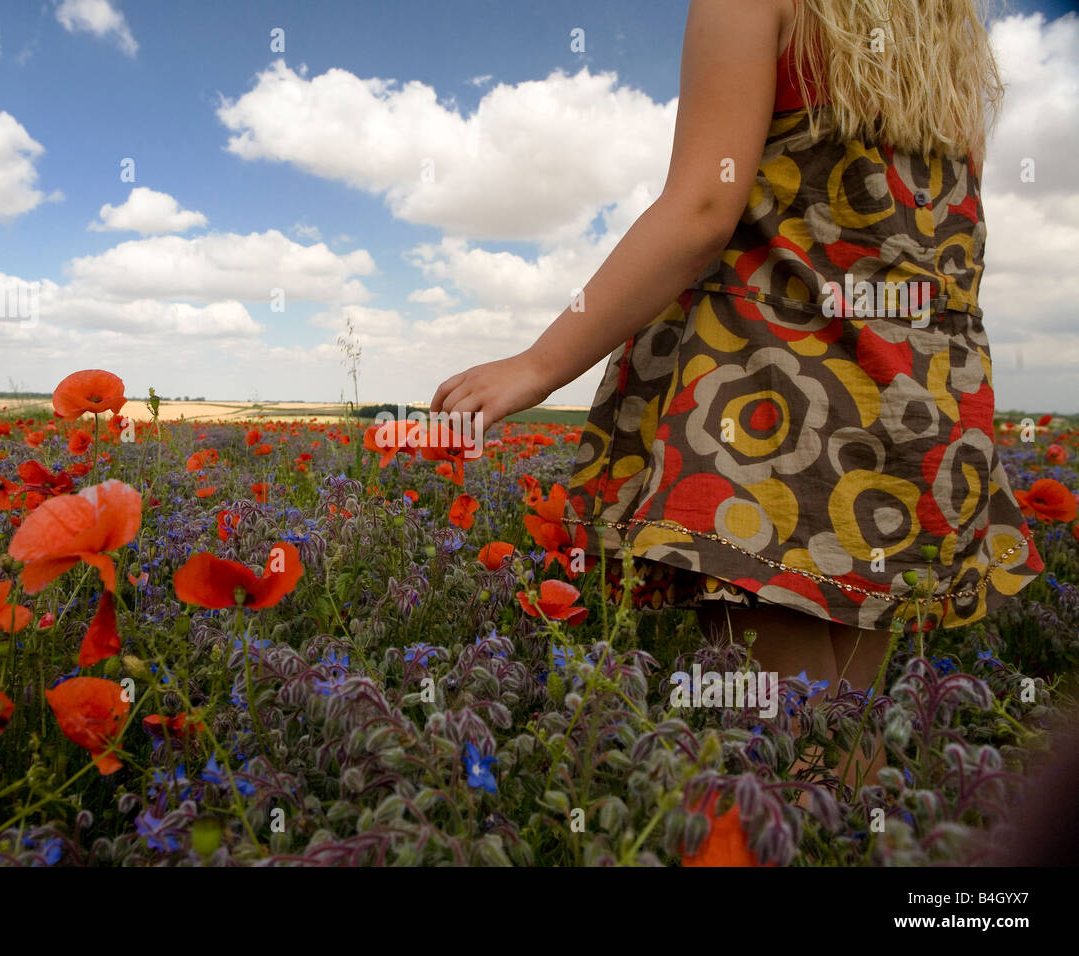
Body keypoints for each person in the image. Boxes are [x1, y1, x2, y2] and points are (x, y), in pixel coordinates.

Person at [430, 0, 1044, 749]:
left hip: (769, 408)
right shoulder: (948, 31)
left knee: (780, 743)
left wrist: (538, 365)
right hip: (921, 404)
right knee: (843, 731)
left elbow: (702, 209)